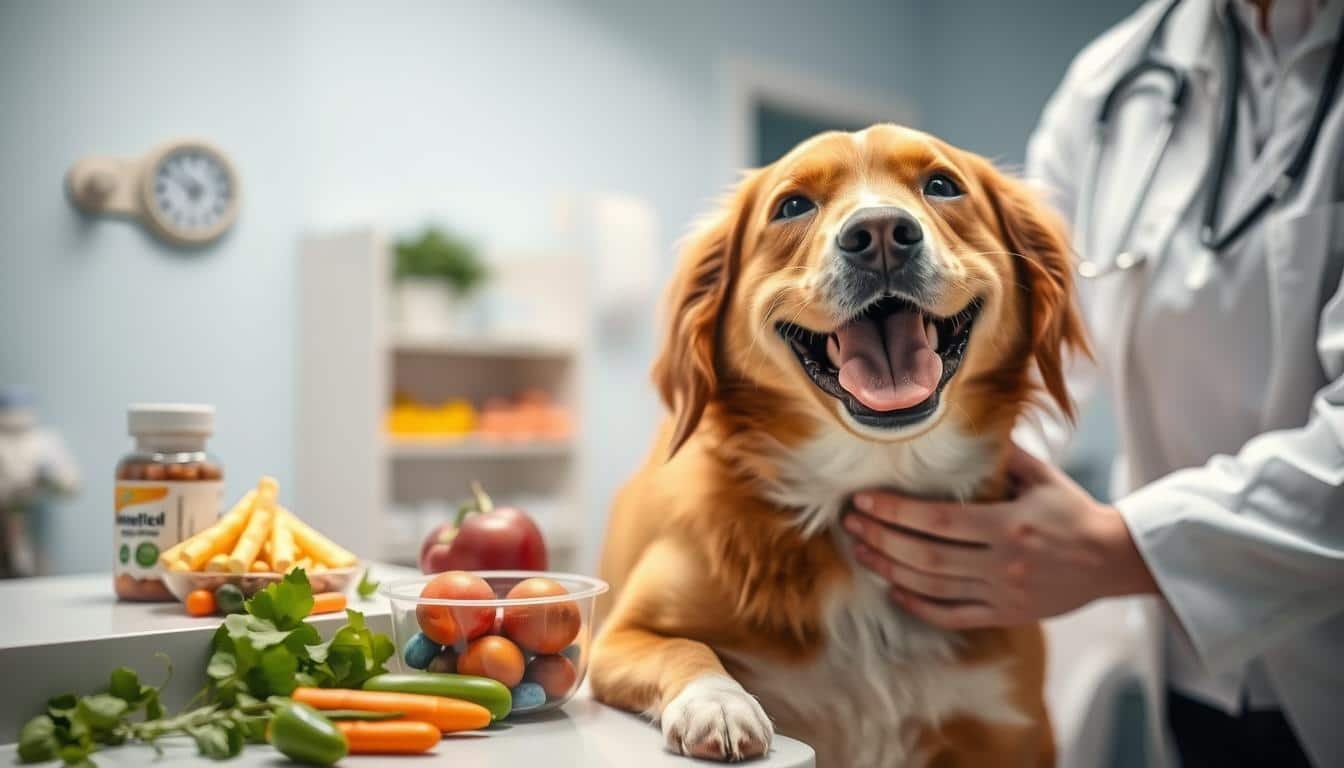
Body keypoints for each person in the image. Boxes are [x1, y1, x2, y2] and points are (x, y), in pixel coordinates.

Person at [841, 0, 1344, 766]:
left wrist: (1120, 549)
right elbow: (1029, 335)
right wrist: (953, 478)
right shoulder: (1111, 82)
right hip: (1192, 660)